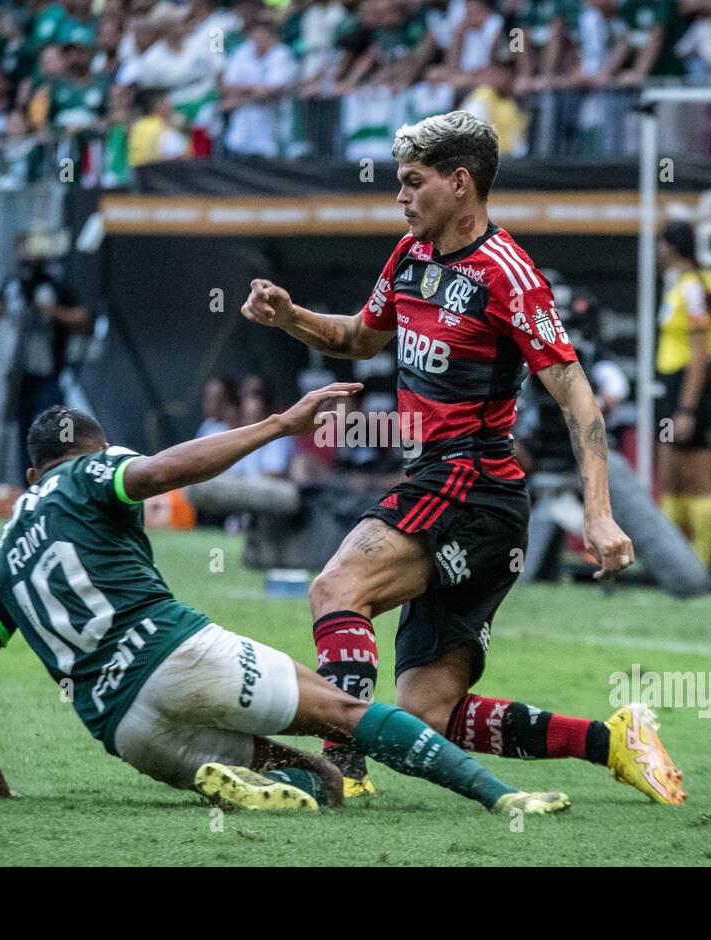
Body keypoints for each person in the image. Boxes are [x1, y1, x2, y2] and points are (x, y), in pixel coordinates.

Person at [242, 110, 684, 806]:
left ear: (459, 183)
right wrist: (290, 315)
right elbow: (360, 337)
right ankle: (612, 741)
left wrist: (598, 516)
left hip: (470, 485)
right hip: (454, 492)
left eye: (413, 183)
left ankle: (337, 771)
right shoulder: (410, 256)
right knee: (424, 720)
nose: (400, 196)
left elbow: (579, 399)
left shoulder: (508, 273)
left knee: (335, 589)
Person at [0, 392, 574, 816]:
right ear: (95, 452)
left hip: (128, 732)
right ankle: (500, 797)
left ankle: (255, 783)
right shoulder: (91, 472)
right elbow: (158, 474)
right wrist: (277, 426)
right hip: (177, 656)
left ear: (28, 478)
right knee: (348, 716)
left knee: (317, 787)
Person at [0, 234, 92, 482]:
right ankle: (27, 486)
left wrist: (53, 313)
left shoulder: (57, 281)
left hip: (49, 370)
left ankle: (54, 481)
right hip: (18, 370)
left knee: (53, 430)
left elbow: (83, 319)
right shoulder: (14, 281)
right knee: (24, 431)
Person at [655, 220, 711, 572]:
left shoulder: (695, 286)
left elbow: (702, 353)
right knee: (671, 476)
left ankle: (701, 566)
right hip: (673, 385)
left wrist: (686, 407)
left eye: (660, 244)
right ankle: (676, 565)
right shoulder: (682, 283)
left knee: (699, 479)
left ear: (670, 247)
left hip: (688, 387)